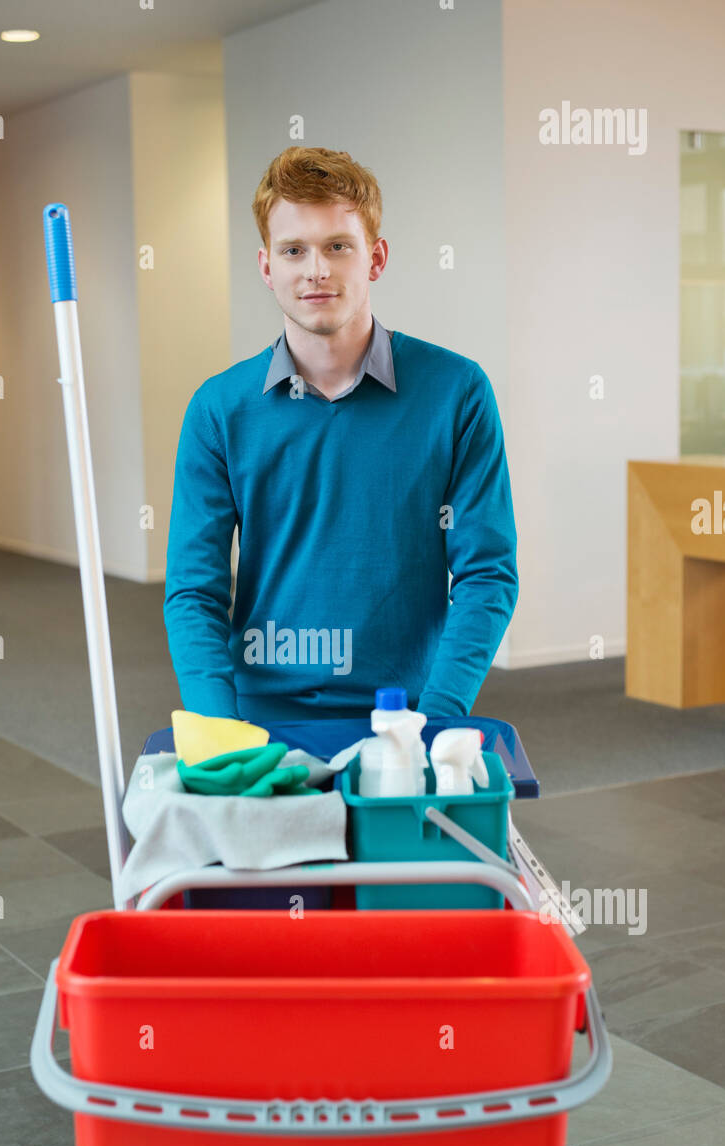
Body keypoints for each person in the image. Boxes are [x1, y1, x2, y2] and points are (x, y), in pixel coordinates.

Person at [164, 146, 517, 725]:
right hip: (259, 716)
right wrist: (219, 729)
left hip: (409, 713)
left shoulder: (457, 392)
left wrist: (440, 718)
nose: (316, 270)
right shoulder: (219, 409)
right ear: (266, 266)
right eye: (294, 250)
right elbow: (193, 591)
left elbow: (487, 572)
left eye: (338, 246)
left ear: (375, 259)